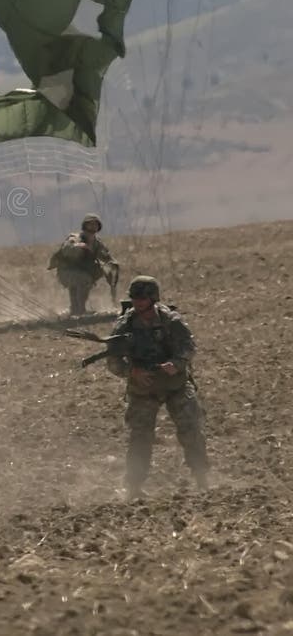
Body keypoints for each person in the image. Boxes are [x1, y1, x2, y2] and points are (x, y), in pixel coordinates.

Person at [106, 275, 210, 500]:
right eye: (135, 298)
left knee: (191, 430)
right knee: (140, 438)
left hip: (175, 385)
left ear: (153, 298)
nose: (138, 302)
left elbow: (189, 347)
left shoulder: (171, 321)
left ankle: (203, 479)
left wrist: (177, 363)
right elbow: (113, 362)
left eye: (142, 298)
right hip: (144, 389)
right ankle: (133, 488)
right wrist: (132, 372)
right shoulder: (124, 325)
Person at [47, 213, 119, 316]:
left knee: (99, 272)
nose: (93, 226)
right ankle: (80, 311)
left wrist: (112, 264)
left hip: (81, 272)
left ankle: (75, 310)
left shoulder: (97, 243)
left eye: (96, 224)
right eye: (90, 224)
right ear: (85, 225)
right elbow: (67, 249)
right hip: (66, 272)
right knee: (83, 280)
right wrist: (79, 247)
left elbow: (106, 257)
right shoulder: (75, 238)